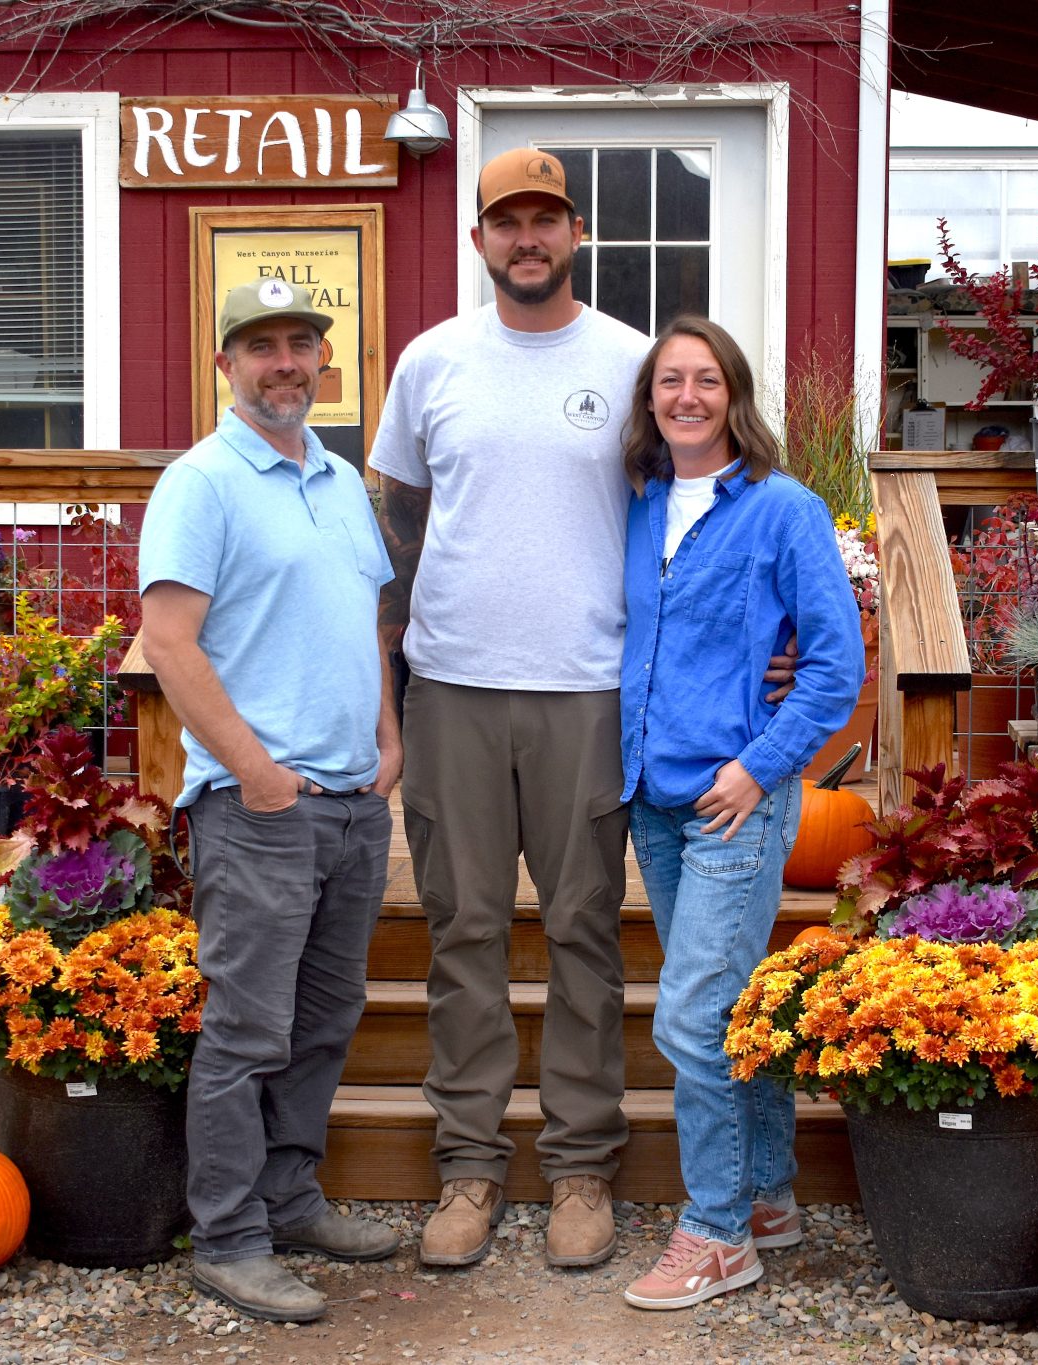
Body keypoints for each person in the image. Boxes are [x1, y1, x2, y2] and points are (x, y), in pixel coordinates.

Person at [367, 147, 652, 1270]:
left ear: (576, 232)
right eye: (505, 220)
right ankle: (469, 1167)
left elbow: (672, 517)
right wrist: (388, 689)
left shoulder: (630, 362)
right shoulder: (432, 361)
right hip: (453, 688)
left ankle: (581, 1166)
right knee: (464, 932)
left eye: (545, 219)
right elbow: (397, 529)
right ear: (478, 238)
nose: (526, 238)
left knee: (584, 930)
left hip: (588, 687)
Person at [137, 277, 402, 1324]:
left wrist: (387, 737)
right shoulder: (200, 482)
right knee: (248, 1030)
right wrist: (254, 771)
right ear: (226, 365)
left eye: (301, 342)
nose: (284, 361)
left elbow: (364, 619)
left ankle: (289, 1200)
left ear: (323, 361)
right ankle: (229, 1236)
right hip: (261, 811)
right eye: (261, 345)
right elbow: (168, 642)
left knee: (324, 1021)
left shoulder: (339, 479)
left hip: (352, 802)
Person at [614, 317, 865, 1311]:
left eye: (706, 380)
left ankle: (715, 1232)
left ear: (733, 395)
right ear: (649, 399)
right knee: (727, 1006)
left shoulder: (783, 510)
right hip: (653, 798)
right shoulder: (635, 506)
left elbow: (834, 666)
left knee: (690, 1011)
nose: (687, 396)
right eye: (669, 380)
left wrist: (759, 771)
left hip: (734, 805)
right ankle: (765, 1195)